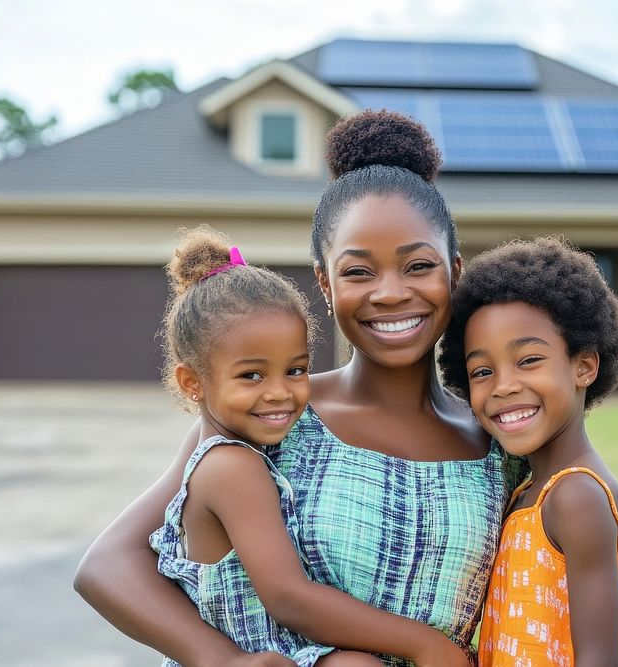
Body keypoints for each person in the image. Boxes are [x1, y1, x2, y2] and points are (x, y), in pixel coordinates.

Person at [74, 110, 520, 667]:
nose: (389, 293)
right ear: (324, 283)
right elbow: (108, 567)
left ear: (454, 272)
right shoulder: (274, 419)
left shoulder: (498, 444)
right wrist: (223, 662)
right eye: (358, 272)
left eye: (418, 266)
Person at [148, 224, 470, 666]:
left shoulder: (241, 454)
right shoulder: (230, 468)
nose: (280, 392)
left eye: (296, 371)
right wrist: (425, 643)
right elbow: (289, 597)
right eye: (252, 375)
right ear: (192, 382)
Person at [437, 236, 618, 666]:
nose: (504, 385)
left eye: (528, 360)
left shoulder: (575, 496)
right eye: (482, 371)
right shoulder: (527, 491)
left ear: (584, 365)